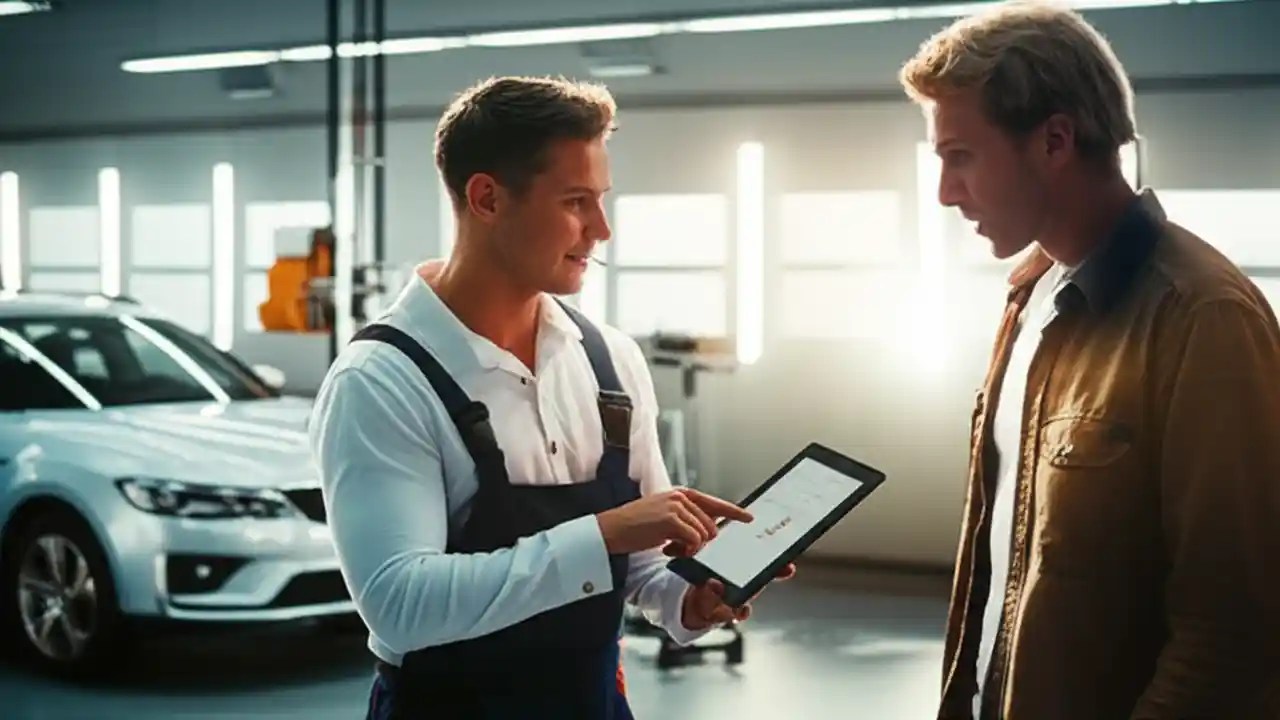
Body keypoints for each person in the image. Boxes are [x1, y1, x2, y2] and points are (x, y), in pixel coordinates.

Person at [308, 75, 792, 720]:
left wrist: (688, 600)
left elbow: (642, 568)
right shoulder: (380, 381)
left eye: (601, 200)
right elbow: (401, 605)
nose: (601, 230)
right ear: (486, 199)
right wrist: (600, 534)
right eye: (575, 202)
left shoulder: (610, 361)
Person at [899, 3, 1280, 719]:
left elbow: (1237, 631)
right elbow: (1000, 573)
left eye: (960, 157)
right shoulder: (1030, 296)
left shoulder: (1204, 317)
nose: (947, 193)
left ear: (1054, 141)